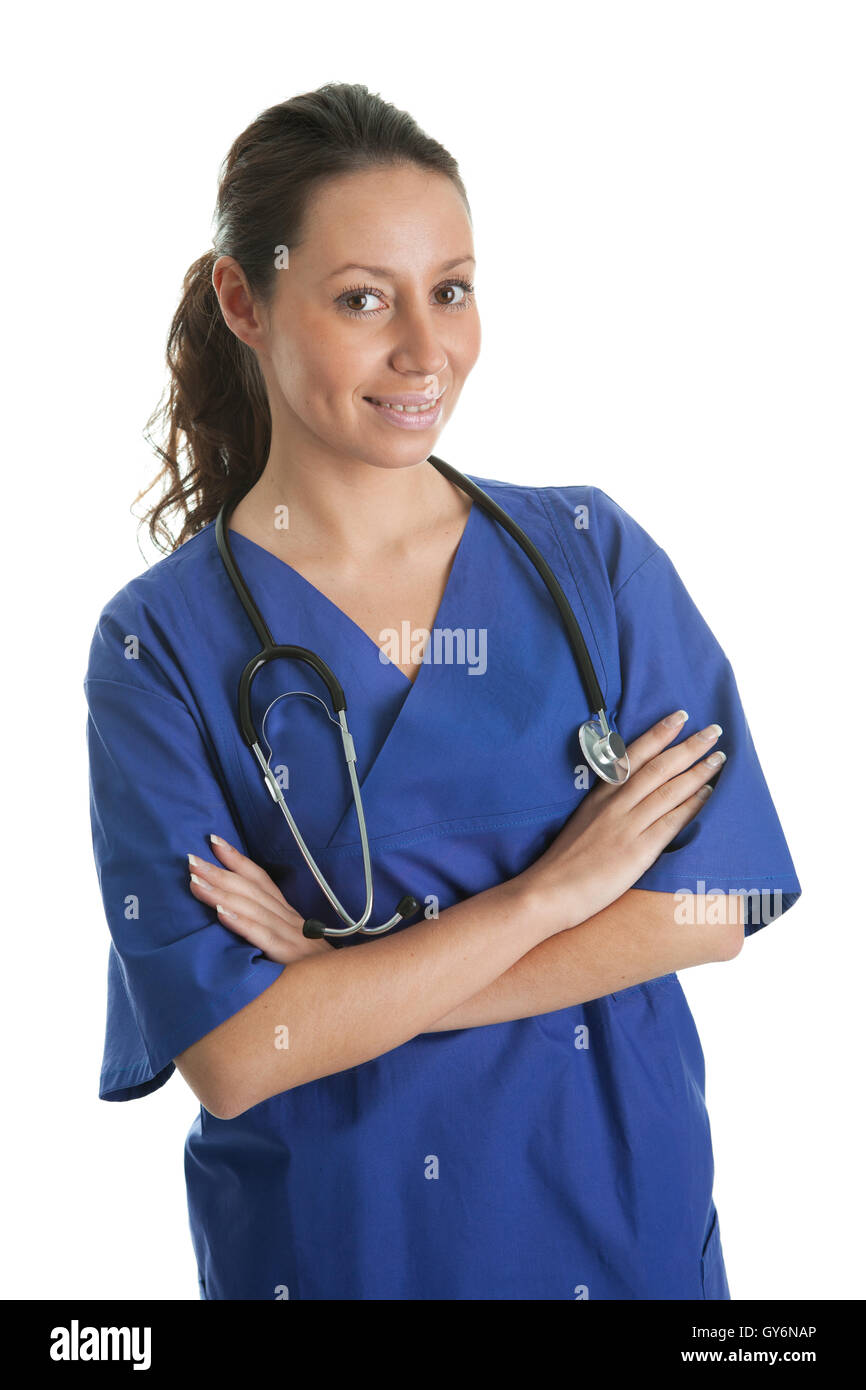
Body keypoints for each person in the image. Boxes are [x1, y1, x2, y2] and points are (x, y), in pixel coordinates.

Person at [83, 82, 801, 1301]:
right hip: (338, 1252)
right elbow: (235, 1055)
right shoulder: (160, 647)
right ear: (242, 301)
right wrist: (555, 896)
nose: (425, 351)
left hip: (618, 1230)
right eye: (363, 298)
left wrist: (339, 977)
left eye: (450, 290)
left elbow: (712, 907)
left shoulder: (588, 555)